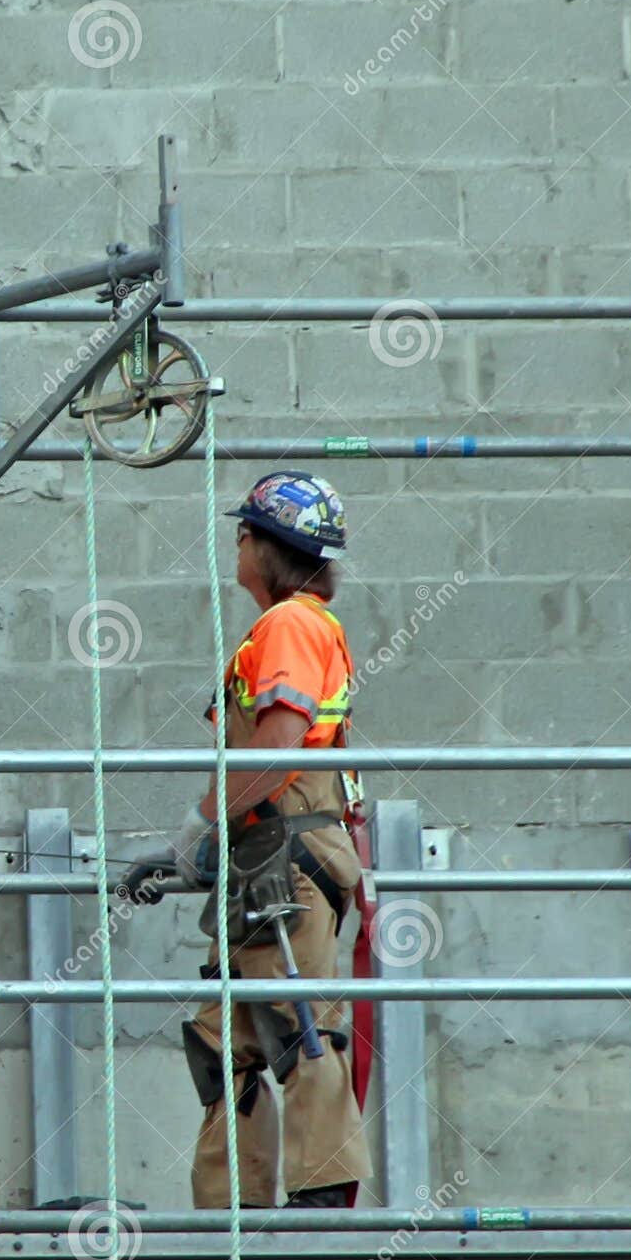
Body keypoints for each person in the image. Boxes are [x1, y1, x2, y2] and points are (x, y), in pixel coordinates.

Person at [123, 471, 372, 1210]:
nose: (235, 545)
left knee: (294, 1023)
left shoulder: (290, 625)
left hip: (284, 858)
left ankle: (319, 1199)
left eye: (243, 533)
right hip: (267, 854)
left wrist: (202, 827)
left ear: (269, 547)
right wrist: (196, 847)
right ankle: (236, 1203)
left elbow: (280, 739)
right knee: (221, 1037)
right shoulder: (293, 625)